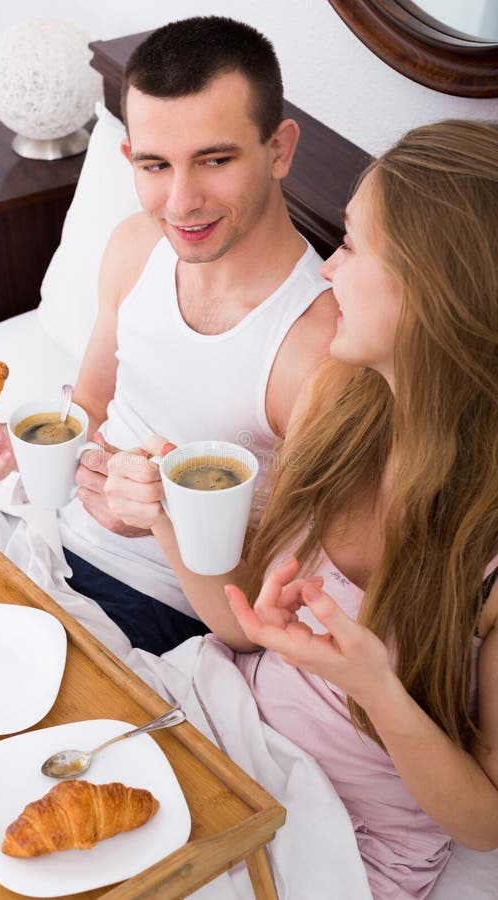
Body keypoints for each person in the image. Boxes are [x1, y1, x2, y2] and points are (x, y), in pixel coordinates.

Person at [104, 119, 498, 898]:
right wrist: (163, 518)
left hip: (348, 839)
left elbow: (483, 825)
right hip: (229, 726)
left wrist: (377, 689)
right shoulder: (341, 405)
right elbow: (243, 626)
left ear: (431, 289)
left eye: (350, 248)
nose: (326, 274)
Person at [0, 17, 338, 654]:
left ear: (280, 149)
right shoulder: (133, 248)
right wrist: (25, 451)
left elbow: (263, 612)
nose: (181, 203)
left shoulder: (316, 348)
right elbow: (90, 407)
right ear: (130, 159)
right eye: (156, 164)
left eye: (214, 159)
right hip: (45, 539)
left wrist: (158, 517)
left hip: (156, 608)